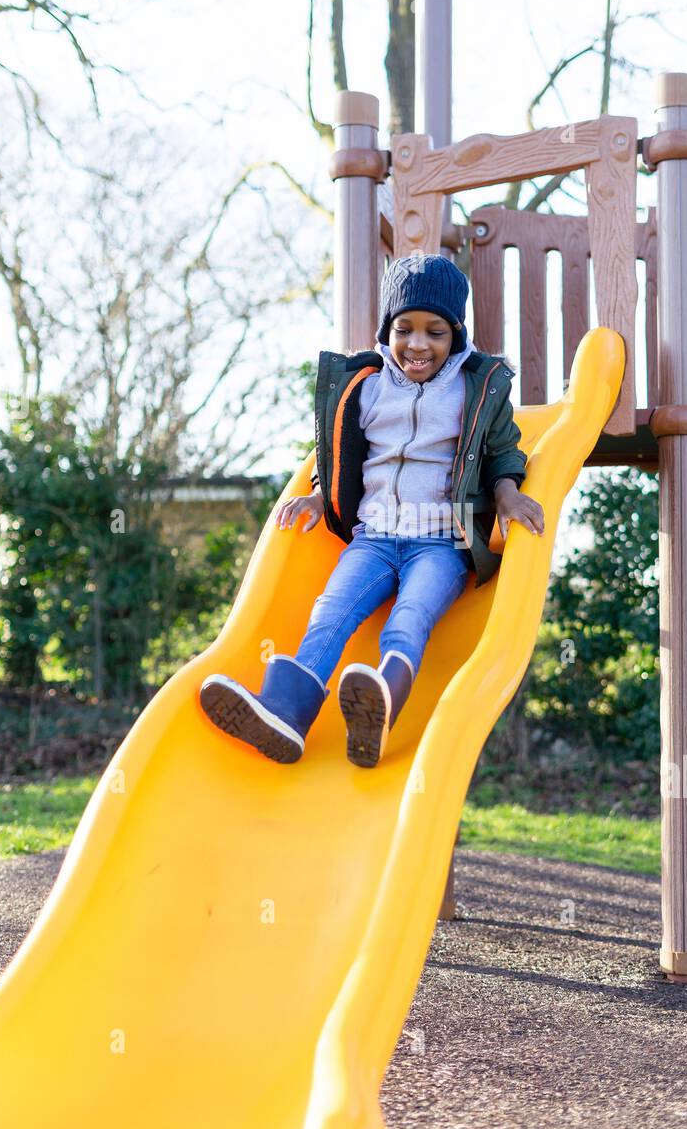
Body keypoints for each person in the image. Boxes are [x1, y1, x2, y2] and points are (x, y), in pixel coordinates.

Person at [199, 252, 545, 768]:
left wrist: (508, 493)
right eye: (405, 329)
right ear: (388, 330)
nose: (418, 344)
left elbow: (502, 449)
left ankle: (379, 709)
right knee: (329, 614)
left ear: (456, 334)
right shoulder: (366, 386)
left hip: (440, 544)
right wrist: (320, 494)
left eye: (435, 332)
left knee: (409, 620)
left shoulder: (476, 386)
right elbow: (341, 452)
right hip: (374, 539)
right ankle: (284, 715)